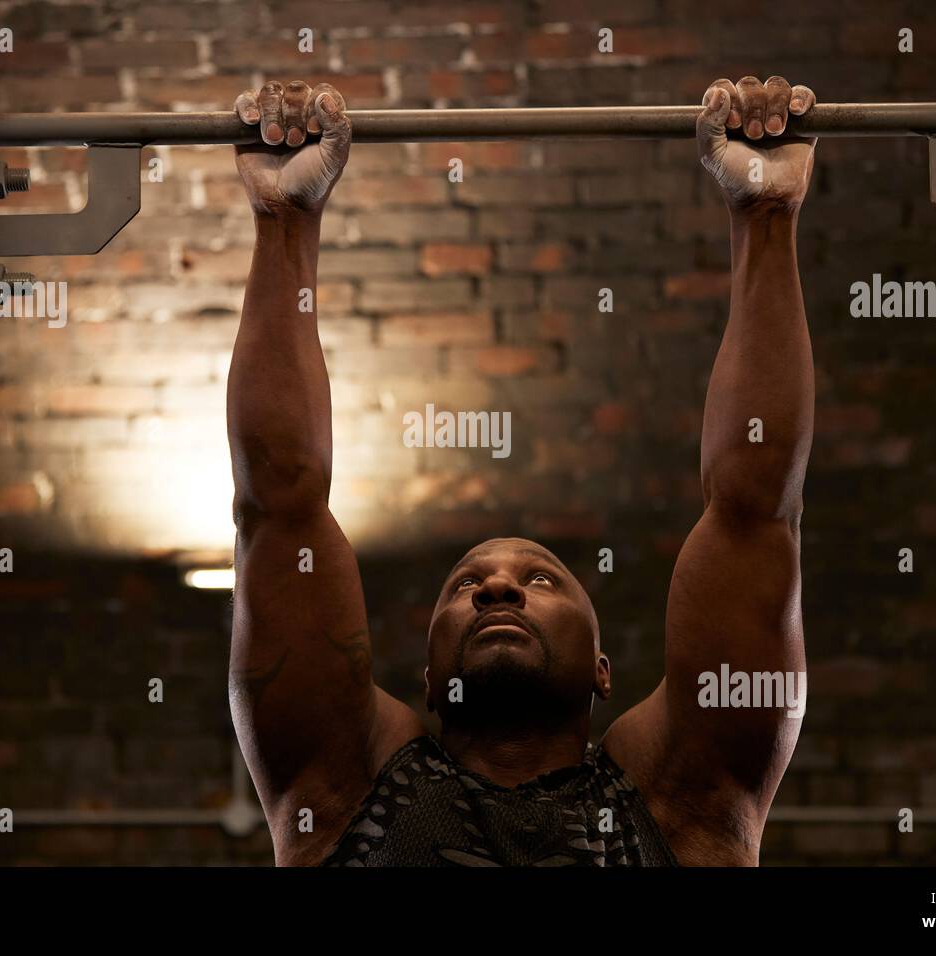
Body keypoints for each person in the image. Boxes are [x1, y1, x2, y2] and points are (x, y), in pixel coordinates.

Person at [226, 76, 817, 866]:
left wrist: (767, 214)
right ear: (427, 677)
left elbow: (755, 509)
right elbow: (278, 502)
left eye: (540, 580)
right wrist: (282, 220)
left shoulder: (683, 795)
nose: (496, 586)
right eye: (467, 585)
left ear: (605, 672)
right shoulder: (343, 786)